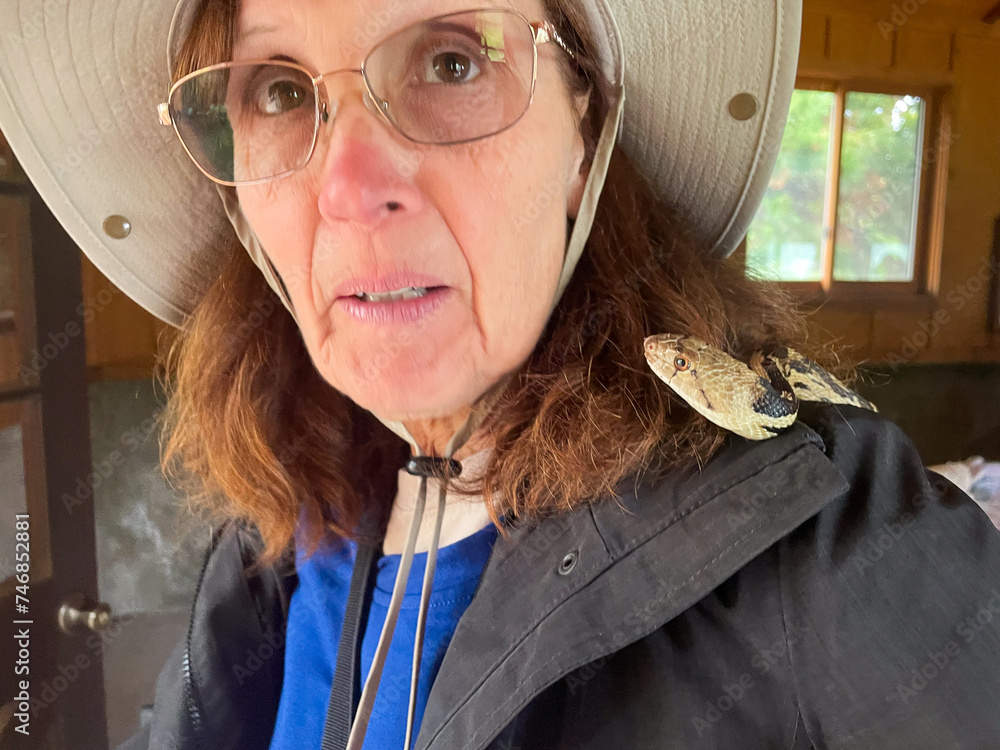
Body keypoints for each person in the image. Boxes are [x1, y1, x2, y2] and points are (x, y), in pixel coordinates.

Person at [1, 0, 999, 748]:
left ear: (585, 134)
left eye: (448, 59)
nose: (347, 189)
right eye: (277, 90)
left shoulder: (831, 538)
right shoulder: (276, 529)